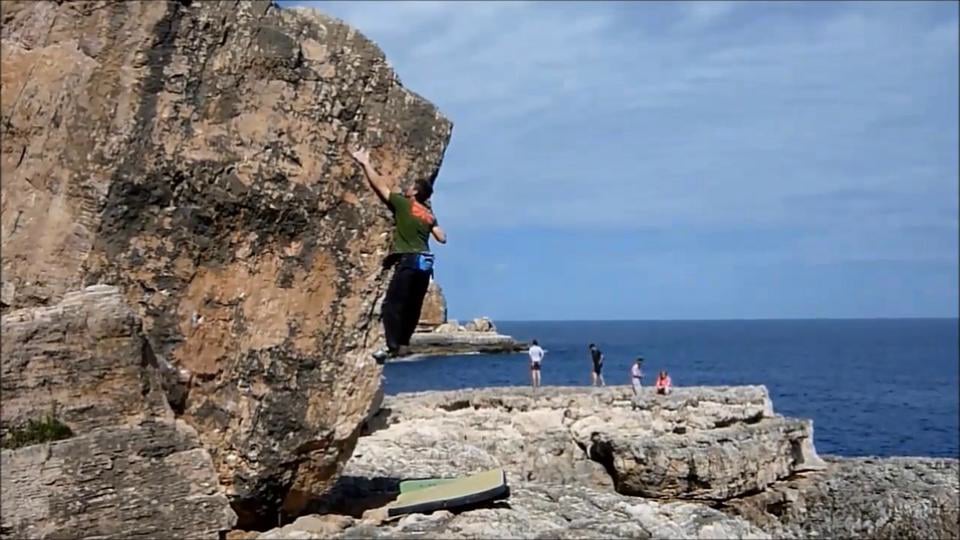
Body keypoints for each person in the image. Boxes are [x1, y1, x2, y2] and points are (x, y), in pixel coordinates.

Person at [349, 144, 447, 362]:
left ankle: (392, 345)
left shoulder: (405, 205)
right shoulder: (428, 215)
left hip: (410, 260)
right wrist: (430, 221)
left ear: (414, 192)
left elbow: (381, 188)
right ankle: (404, 343)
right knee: (413, 305)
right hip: (426, 263)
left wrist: (365, 163)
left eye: (410, 187)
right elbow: (442, 237)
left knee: (393, 303)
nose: (407, 188)